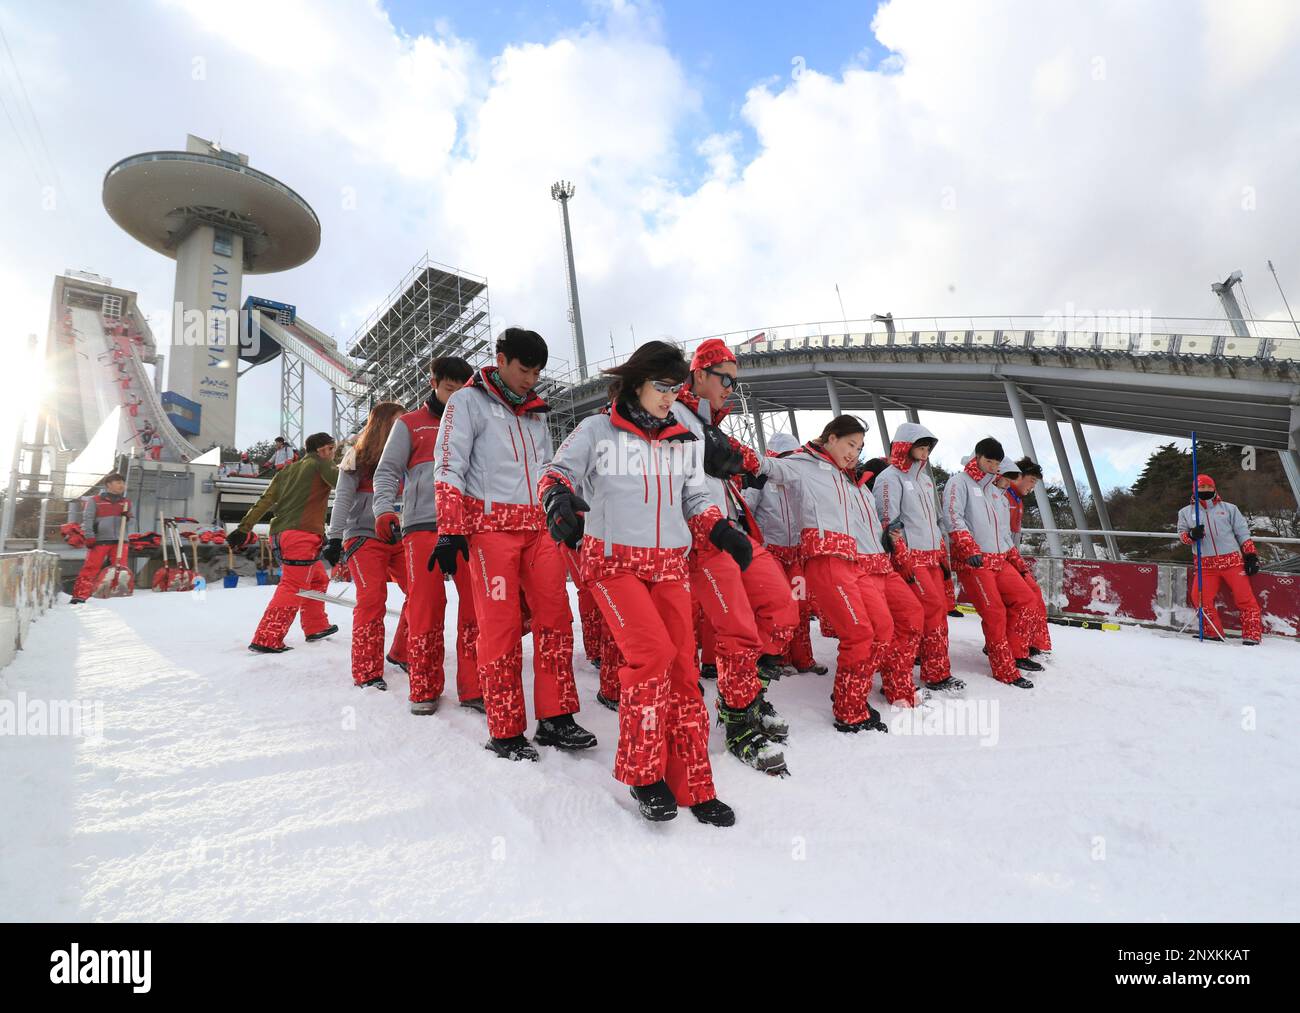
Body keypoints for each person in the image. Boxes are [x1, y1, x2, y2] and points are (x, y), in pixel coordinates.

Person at [539, 340, 734, 826]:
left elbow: (693, 498)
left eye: (676, 388)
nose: (670, 397)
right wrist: (558, 502)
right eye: (661, 387)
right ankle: (644, 774)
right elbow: (555, 473)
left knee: (685, 671)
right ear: (636, 383)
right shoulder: (597, 429)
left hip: (669, 564)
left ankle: (694, 782)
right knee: (652, 656)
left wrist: (720, 526)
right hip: (613, 563)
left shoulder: (682, 440)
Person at [433, 328, 595, 760]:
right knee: (500, 626)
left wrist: (560, 510)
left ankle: (557, 716)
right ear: (501, 359)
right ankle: (505, 728)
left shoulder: (536, 414)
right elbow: (449, 465)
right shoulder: (466, 403)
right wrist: (450, 529)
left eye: (537, 371)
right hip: (490, 532)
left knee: (556, 619)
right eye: (524, 369)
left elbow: (545, 468)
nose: (531, 379)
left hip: (538, 530)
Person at [672, 338, 796, 775]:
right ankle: (740, 724)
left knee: (782, 611)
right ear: (699, 374)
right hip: (702, 539)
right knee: (737, 632)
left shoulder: (711, 421)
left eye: (734, 381)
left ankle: (745, 696)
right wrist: (757, 461)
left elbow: (725, 457)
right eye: (724, 379)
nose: (730, 388)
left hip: (735, 532)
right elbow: (715, 456)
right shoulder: (675, 411)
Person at [760, 417, 926, 727]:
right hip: (827, 558)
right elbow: (769, 467)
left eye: (859, 448)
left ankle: (857, 695)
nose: (854, 453)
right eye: (850, 444)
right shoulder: (803, 463)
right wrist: (726, 452)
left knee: (885, 628)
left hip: (858, 561)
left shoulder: (845, 480)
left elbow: (871, 525)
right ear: (831, 438)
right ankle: (849, 709)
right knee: (860, 633)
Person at [372, 356, 484, 714]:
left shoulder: (475, 422)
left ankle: (474, 687)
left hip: (468, 527)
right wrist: (384, 509)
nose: (454, 398)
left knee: (476, 606)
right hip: (423, 525)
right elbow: (387, 471)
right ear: (433, 383)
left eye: (461, 391)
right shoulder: (410, 424)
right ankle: (423, 686)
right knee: (425, 605)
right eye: (449, 389)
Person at [326, 402, 415, 691]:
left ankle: (401, 651)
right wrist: (335, 536)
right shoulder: (358, 457)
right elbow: (341, 498)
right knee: (372, 598)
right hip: (364, 536)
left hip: (399, 537)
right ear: (382, 424)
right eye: (398, 421)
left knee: (422, 592)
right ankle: (367, 670)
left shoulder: (406, 457)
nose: (404, 426)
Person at [229, 433, 340, 653]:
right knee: (293, 586)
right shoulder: (320, 464)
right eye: (332, 449)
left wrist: (243, 528)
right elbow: (343, 483)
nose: (333, 454)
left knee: (317, 577)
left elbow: (265, 500)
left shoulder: (286, 471)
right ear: (323, 449)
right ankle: (267, 638)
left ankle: (316, 626)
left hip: (280, 535)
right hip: (302, 536)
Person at [942, 439, 1039, 687]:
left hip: (999, 559)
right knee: (995, 613)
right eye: (989, 461)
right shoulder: (959, 482)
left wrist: (1015, 560)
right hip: (975, 562)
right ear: (977, 457)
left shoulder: (995, 492)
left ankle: (1016, 653)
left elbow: (1004, 532)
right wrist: (968, 547)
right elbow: (953, 516)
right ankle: (1004, 669)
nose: (993, 467)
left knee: (1026, 599)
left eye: (997, 463)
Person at [873, 422, 962, 693]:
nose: (924, 454)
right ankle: (930, 673)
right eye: (919, 448)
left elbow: (933, 521)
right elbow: (888, 523)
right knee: (928, 610)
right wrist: (902, 558)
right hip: (909, 559)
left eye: (927, 449)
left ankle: (934, 669)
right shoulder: (889, 478)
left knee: (937, 613)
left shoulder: (924, 479)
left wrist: (942, 556)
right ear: (904, 447)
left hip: (931, 556)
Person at [744, 432, 827, 675]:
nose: (790, 462)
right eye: (786, 457)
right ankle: (775, 657)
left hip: (795, 556)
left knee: (800, 606)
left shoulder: (797, 482)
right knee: (779, 606)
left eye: (794, 457)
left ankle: (803, 659)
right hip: (771, 554)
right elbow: (746, 510)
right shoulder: (761, 481)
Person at [1177, 473, 1263, 645]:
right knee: (1200, 598)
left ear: (1214, 488)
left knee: (1245, 598)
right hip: (1205, 565)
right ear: (1195, 489)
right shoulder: (1185, 512)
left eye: (1209, 487)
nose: (1206, 490)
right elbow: (1182, 536)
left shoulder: (1230, 508)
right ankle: (1213, 632)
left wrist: (1251, 555)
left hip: (1232, 562)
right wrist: (1191, 535)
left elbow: (1242, 533)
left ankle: (1252, 634)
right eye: (1202, 487)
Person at [1004, 457, 1052, 657]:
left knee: (1034, 592)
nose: (1033, 486)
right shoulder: (1004, 496)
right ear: (1018, 476)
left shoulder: (1017, 499)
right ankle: (1010, 645)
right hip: (1000, 559)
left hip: (1011, 557)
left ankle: (1030, 640)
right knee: (1024, 597)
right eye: (1031, 480)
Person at [69, 473, 131, 603]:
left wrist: (128, 517)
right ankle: (80, 595)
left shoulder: (126, 502)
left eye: (123, 483)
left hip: (120, 541)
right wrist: (89, 536)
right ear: (109, 485)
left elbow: (131, 523)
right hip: (100, 540)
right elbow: (87, 519)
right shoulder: (95, 500)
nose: (122, 486)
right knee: (91, 568)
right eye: (118, 483)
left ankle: (115, 595)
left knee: (120, 569)